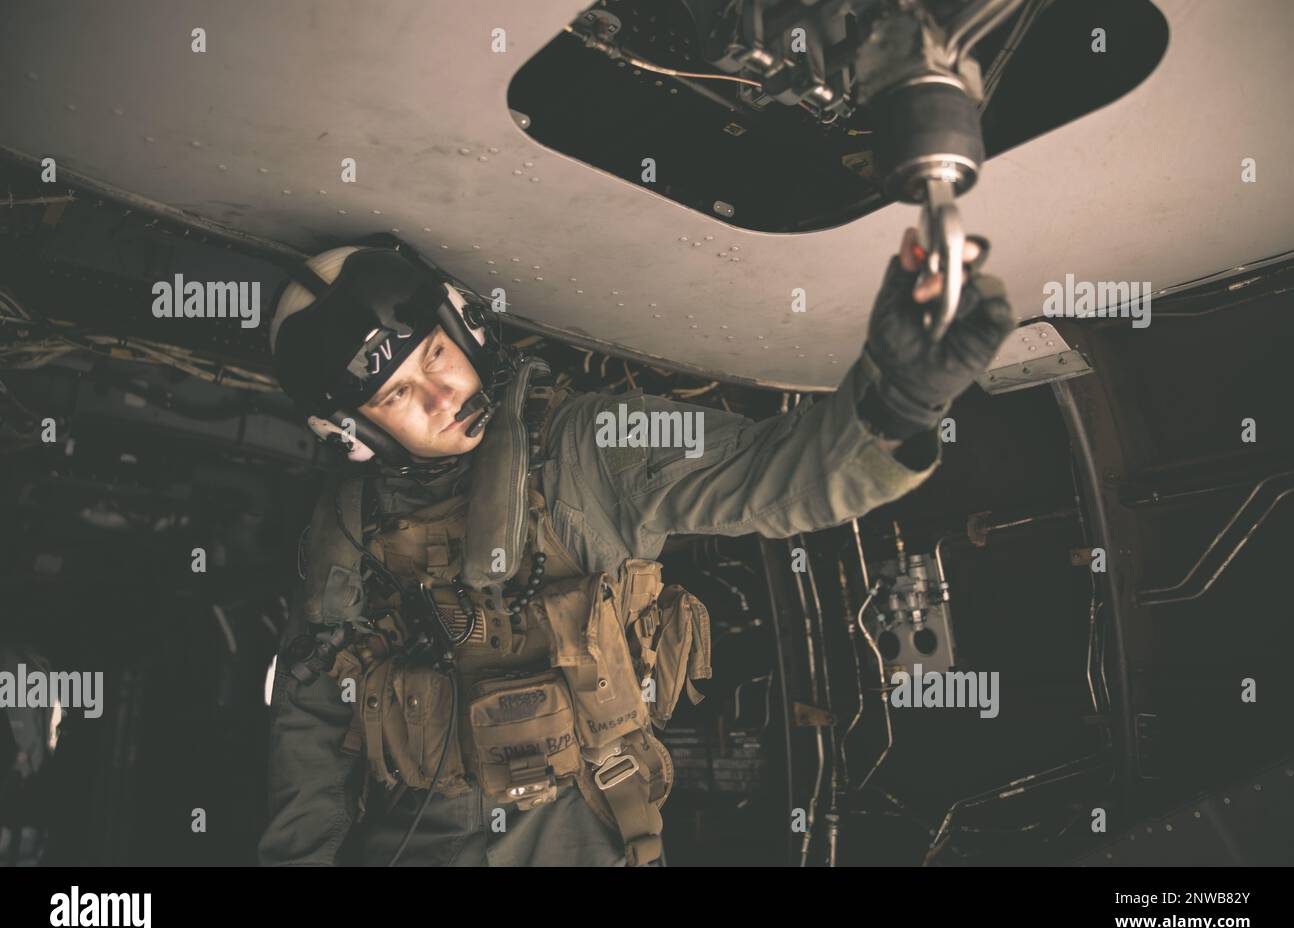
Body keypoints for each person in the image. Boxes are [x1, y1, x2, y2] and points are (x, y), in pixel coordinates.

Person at [257, 229, 1015, 866]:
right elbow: (312, 716)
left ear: (462, 330)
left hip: (580, 834)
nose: (439, 397)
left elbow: (774, 476)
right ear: (355, 433)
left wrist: (902, 394)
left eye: (432, 357)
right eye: (394, 396)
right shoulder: (353, 518)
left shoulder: (593, 443)